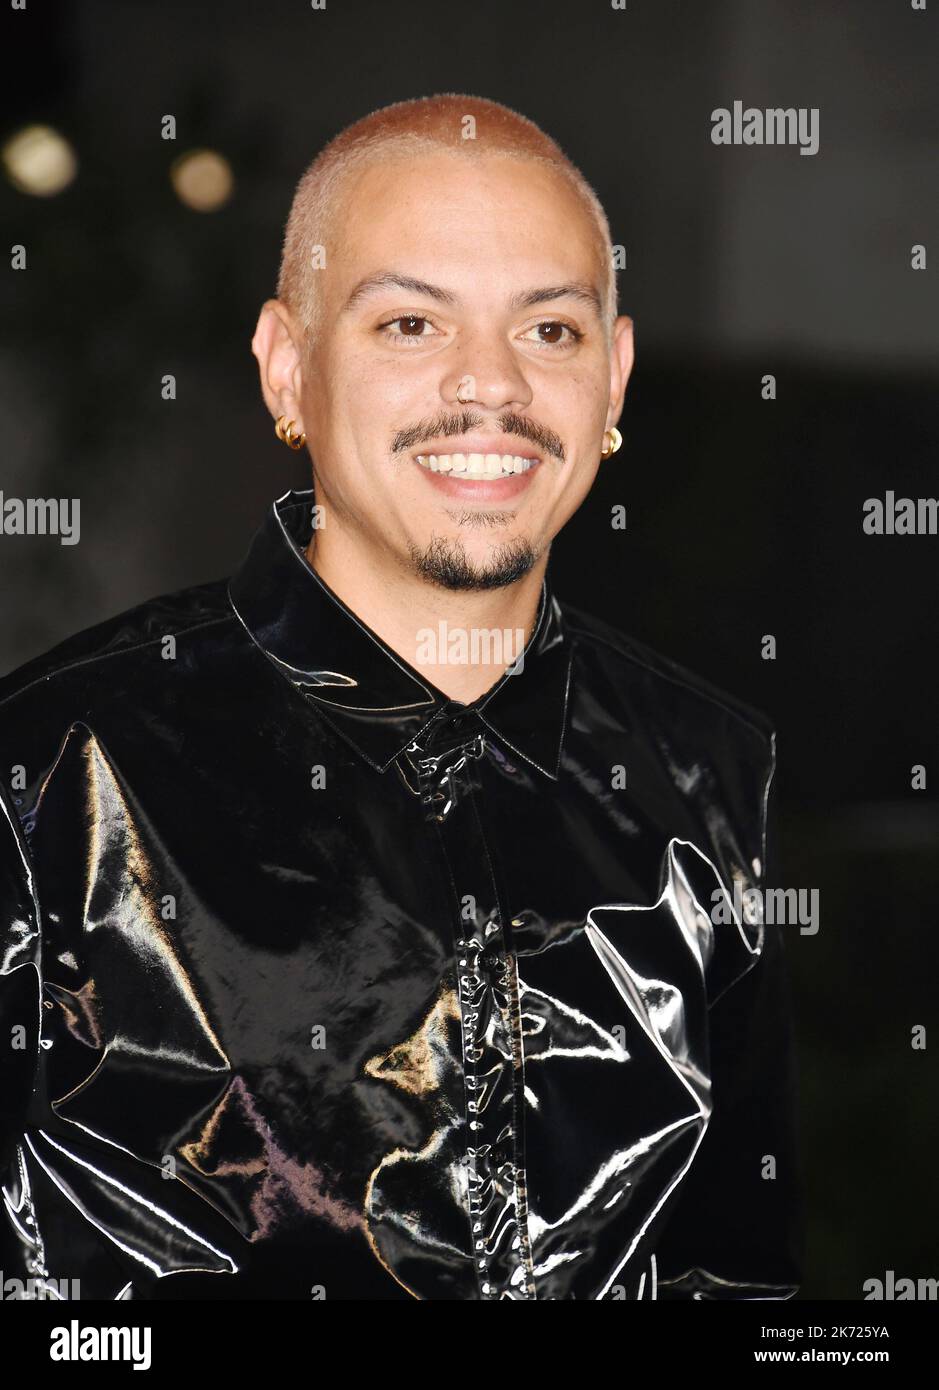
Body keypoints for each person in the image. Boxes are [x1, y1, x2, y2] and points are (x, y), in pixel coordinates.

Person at [0, 93, 802, 1300]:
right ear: (288, 366)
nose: (490, 387)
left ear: (616, 377)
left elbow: (745, 1277)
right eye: (412, 322)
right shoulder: (56, 770)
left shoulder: (714, 776)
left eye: (551, 331)